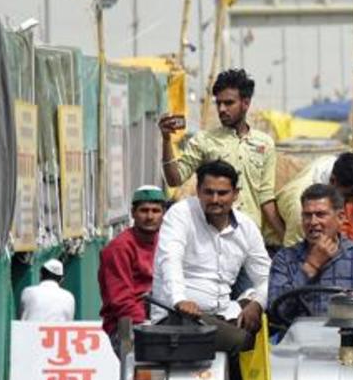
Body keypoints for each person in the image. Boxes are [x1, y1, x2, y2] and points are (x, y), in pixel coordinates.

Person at [150, 159, 271, 353]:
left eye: (222, 193)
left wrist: (257, 304)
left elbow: (266, 277)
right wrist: (180, 300)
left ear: (235, 195)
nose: (215, 199)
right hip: (176, 317)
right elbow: (169, 260)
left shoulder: (246, 226)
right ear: (198, 191)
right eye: (208, 192)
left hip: (221, 315)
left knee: (265, 330)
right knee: (245, 341)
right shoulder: (181, 214)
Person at [159, 68, 286, 245]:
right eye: (218, 103)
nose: (222, 109)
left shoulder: (264, 143)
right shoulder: (204, 140)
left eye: (228, 103)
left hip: (250, 239)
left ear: (246, 103)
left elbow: (265, 197)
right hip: (212, 238)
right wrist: (166, 140)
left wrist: (286, 240)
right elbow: (174, 179)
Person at [269, 183, 353, 318]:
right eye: (307, 215)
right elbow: (277, 311)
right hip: (302, 336)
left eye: (320, 214)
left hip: (349, 336)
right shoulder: (285, 258)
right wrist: (310, 266)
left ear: (341, 218)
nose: (313, 222)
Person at [98, 185, 166, 344]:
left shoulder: (166, 242)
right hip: (127, 325)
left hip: (161, 320)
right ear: (133, 213)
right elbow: (121, 299)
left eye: (156, 211)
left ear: (163, 214)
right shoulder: (118, 248)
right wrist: (146, 326)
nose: (150, 216)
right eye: (144, 210)